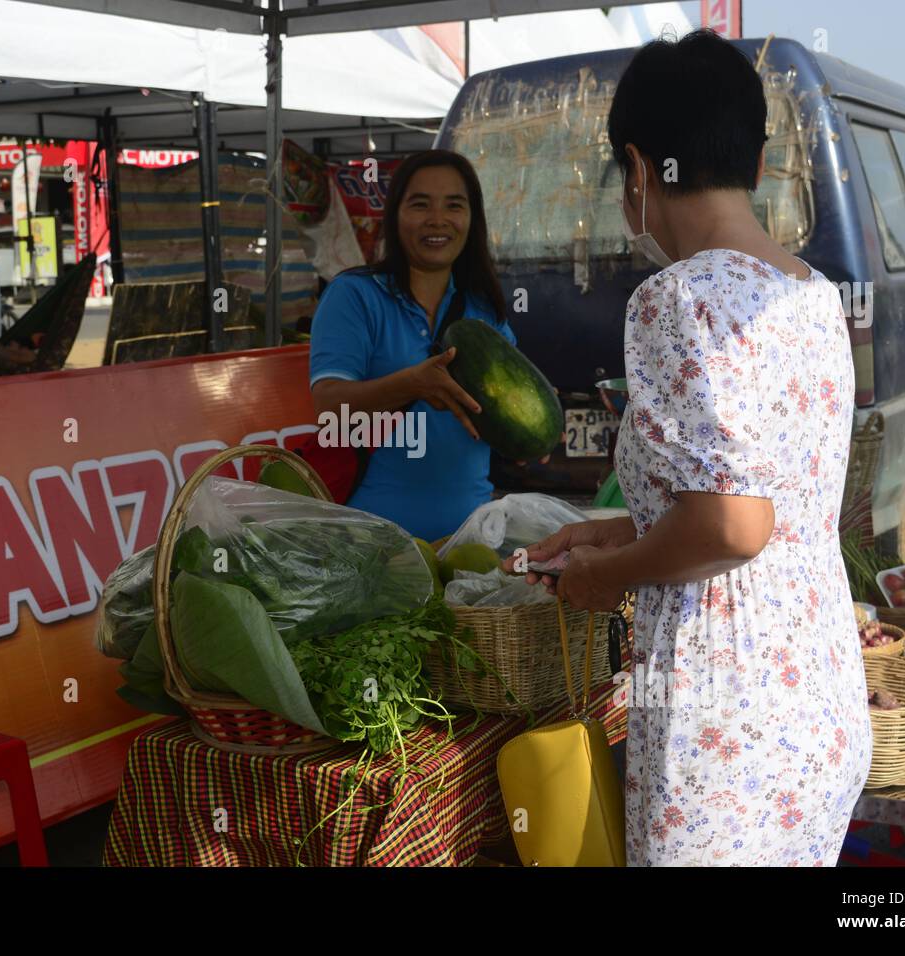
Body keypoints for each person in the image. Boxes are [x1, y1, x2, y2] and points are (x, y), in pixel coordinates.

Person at [506, 30, 870, 866]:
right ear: (754, 155)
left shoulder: (681, 298)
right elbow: (743, 497)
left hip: (726, 717)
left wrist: (608, 576)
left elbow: (735, 524)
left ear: (637, 170)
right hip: (814, 691)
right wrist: (620, 533)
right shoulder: (809, 292)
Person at [309, 149, 532, 541]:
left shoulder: (486, 310)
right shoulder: (354, 295)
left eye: (454, 206)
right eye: (420, 204)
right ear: (395, 216)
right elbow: (330, 408)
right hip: (373, 546)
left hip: (470, 542)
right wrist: (414, 383)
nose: (438, 220)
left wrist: (527, 437)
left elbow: (504, 413)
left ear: (471, 219)